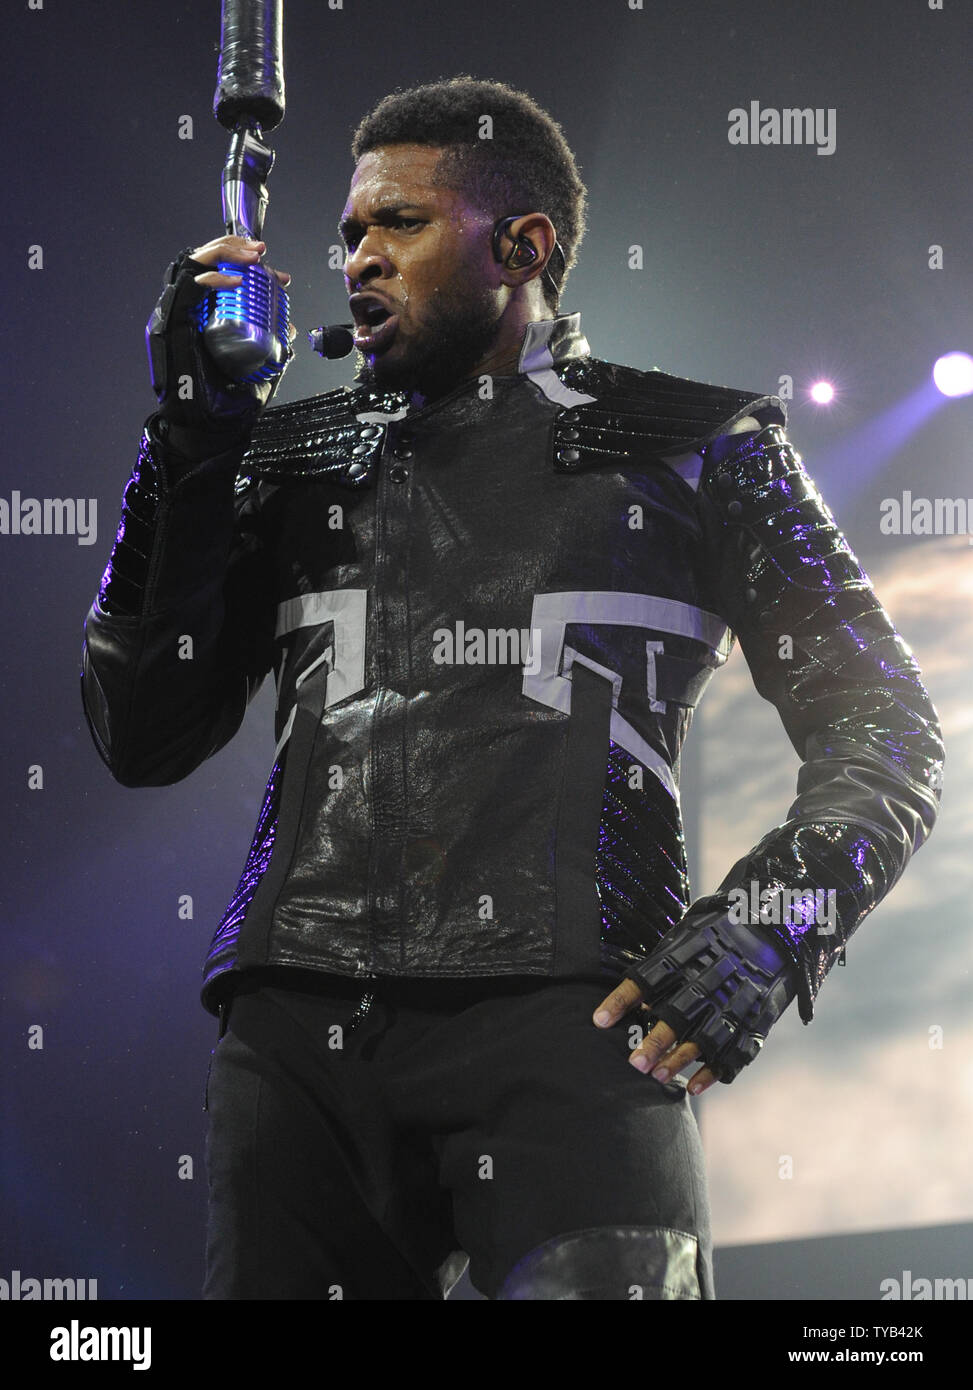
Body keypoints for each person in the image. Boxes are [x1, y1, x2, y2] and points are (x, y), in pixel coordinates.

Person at [80, 77, 944, 1301]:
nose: (359, 258)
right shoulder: (284, 458)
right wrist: (187, 442)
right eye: (347, 236)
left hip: (577, 1021)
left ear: (523, 245)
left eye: (398, 225)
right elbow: (141, 730)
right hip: (295, 1035)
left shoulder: (697, 440)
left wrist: (768, 929)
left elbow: (887, 727)